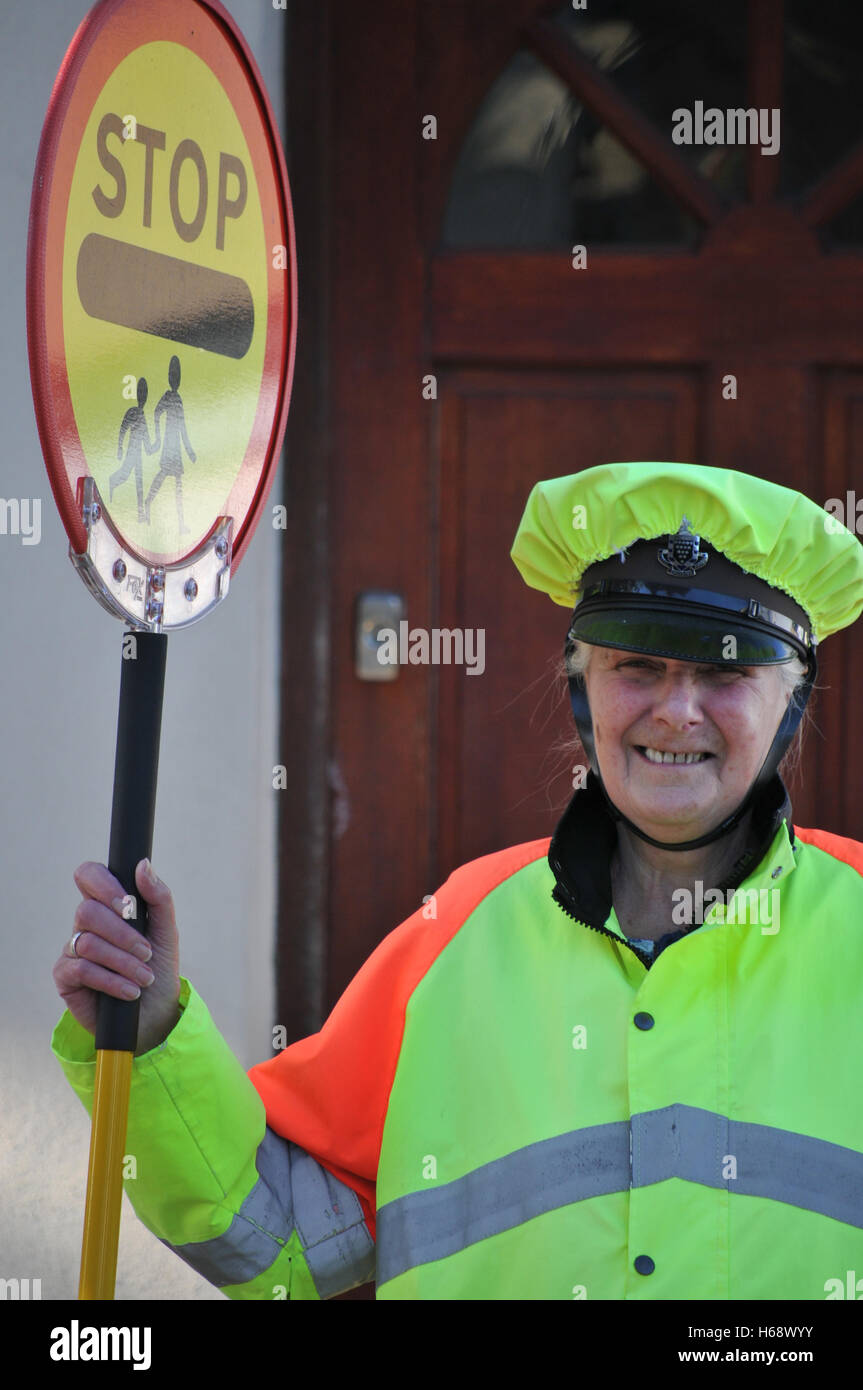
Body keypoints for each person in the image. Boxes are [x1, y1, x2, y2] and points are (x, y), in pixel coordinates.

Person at [52, 461, 863, 1300]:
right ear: (580, 687)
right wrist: (149, 1042)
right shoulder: (456, 931)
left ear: (789, 702)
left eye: (725, 674)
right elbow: (284, 1250)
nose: (676, 710)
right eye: (637, 667)